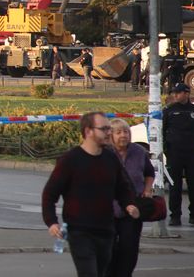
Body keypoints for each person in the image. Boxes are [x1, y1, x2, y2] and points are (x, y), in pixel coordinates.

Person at [41, 112, 141, 277]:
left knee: (101, 272)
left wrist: (129, 204)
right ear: (88, 132)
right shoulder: (70, 160)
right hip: (79, 230)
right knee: (88, 273)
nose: (109, 133)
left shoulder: (110, 158)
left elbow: (123, 187)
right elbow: (50, 193)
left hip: (106, 230)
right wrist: (51, 222)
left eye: (109, 128)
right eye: (104, 129)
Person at [106, 117, 154, 277]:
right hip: (108, 209)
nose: (123, 135)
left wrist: (147, 189)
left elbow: (149, 172)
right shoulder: (104, 153)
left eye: (126, 131)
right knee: (108, 247)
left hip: (133, 208)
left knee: (129, 247)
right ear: (111, 135)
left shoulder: (138, 152)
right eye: (118, 132)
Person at [163, 83, 194, 227]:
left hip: (192, 153)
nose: (175, 95)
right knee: (175, 186)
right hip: (174, 153)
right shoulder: (169, 111)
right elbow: (163, 130)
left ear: (186, 93)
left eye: (178, 93)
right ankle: (175, 216)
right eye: (174, 93)